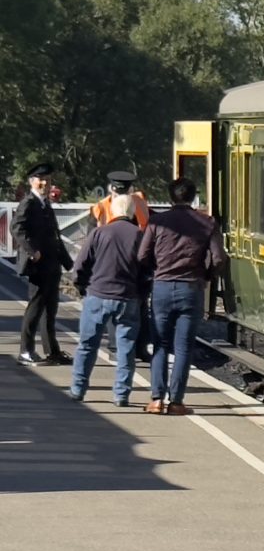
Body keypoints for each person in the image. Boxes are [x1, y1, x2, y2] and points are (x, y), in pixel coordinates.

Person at [137, 177, 225, 415]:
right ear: (194, 197)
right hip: (191, 288)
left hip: (163, 288)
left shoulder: (157, 222)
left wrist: (157, 270)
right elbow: (219, 258)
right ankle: (176, 401)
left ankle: (156, 399)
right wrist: (206, 276)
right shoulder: (207, 222)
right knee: (184, 347)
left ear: (170, 197)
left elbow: (142, 255)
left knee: (160, 344)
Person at [68, 194, 146, 406]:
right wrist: (140, 294)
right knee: (126, 348)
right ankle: (121, 394)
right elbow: (147, 270)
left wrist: (83, 286)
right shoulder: (139, 235)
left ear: (112, 210)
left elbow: (80, 266)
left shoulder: (98, 233)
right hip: (128, 297)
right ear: (132, 212)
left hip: (98, 295)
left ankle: (78, 388)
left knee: (87, 345)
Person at [11, 163, 70, 366]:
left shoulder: (45, 203)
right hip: (38, 264)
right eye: (40, 179)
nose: (45, 183)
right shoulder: (29, 203)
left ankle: (52, 351)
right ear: (32, 182)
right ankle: (25, 350)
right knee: (35, 307)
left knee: (50, 309)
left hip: (52, 264)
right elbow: (17, 229)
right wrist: (31, 250)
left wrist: (67, 261)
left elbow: (54, 235)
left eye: (48, 180)